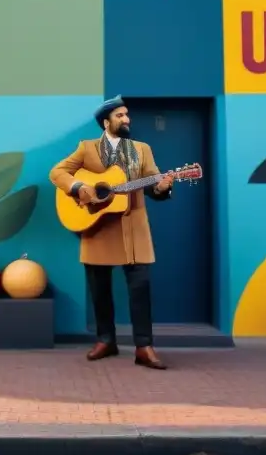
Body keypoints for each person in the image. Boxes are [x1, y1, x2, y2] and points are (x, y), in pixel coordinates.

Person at [49, 96, 174, 370]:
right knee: (100, 290)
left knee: (140, 289)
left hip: (133, 229)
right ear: (106, 122)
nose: (126, 119)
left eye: (127, 114)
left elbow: (153, 184)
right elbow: (57, 173)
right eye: (120, 115)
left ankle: (144, 346)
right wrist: (80, 188)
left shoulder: (142, 149)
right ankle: (106, 340)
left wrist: (162, 187)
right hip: (98, 228)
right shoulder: (87, 148)